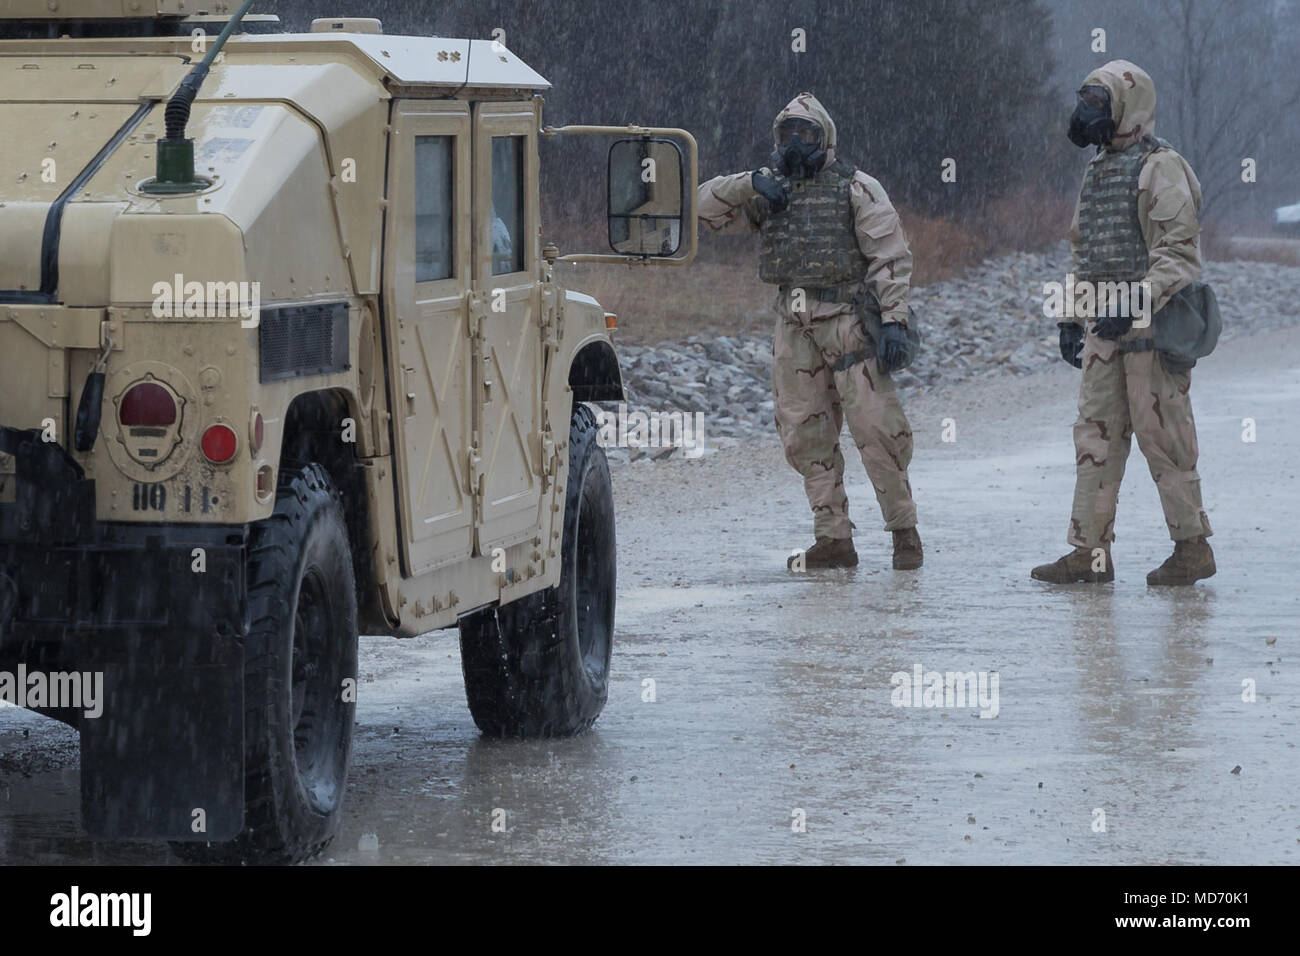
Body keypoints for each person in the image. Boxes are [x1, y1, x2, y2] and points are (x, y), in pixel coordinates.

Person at [697, 92, 922, 571]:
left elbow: (890, 256)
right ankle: (833, 537)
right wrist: (749, 184)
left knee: (876, 429)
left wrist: (895, 321)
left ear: (826, 139)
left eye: (807, 134)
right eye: (787, 134)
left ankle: (904, 532)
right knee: (805, 433)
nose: (796, 143)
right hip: (794, 324)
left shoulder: (856, 188)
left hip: (848, 321)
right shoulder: (768, 191)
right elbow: (701, 209)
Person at [1033, 60, 1215, 586]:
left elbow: (1180, 254)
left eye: (1098, 102)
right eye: (1086, 100)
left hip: (1152, 332)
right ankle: (1089, 553)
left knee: (1166, 440)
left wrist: (1135, 299)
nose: (1086, 112)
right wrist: (1072, 316)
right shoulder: (1097, 171)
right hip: (1104, 330)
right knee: (1095, 437)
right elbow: (1085, 253)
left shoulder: (1161, 167)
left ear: (1126, 106)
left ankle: (1192, 547)